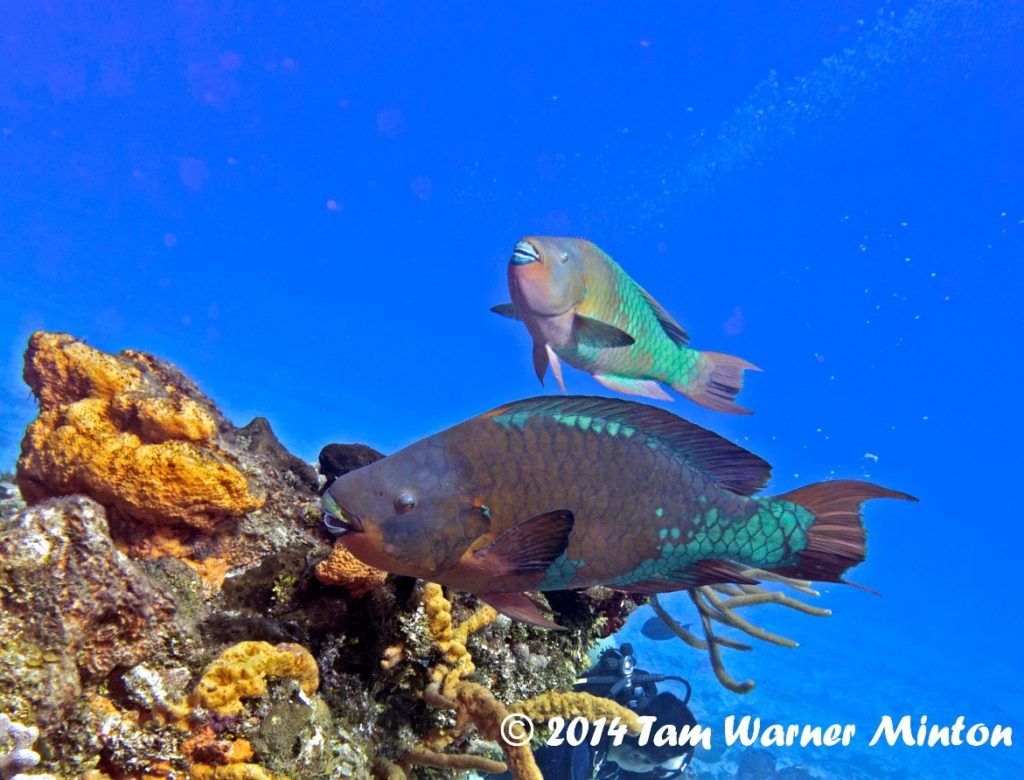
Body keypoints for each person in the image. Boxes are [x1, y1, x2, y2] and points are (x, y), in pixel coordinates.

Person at [500, 644, 698, 779]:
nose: (651, 772)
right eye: (654, 767)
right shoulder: (572, 764)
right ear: (636, 756)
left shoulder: (635, 689)